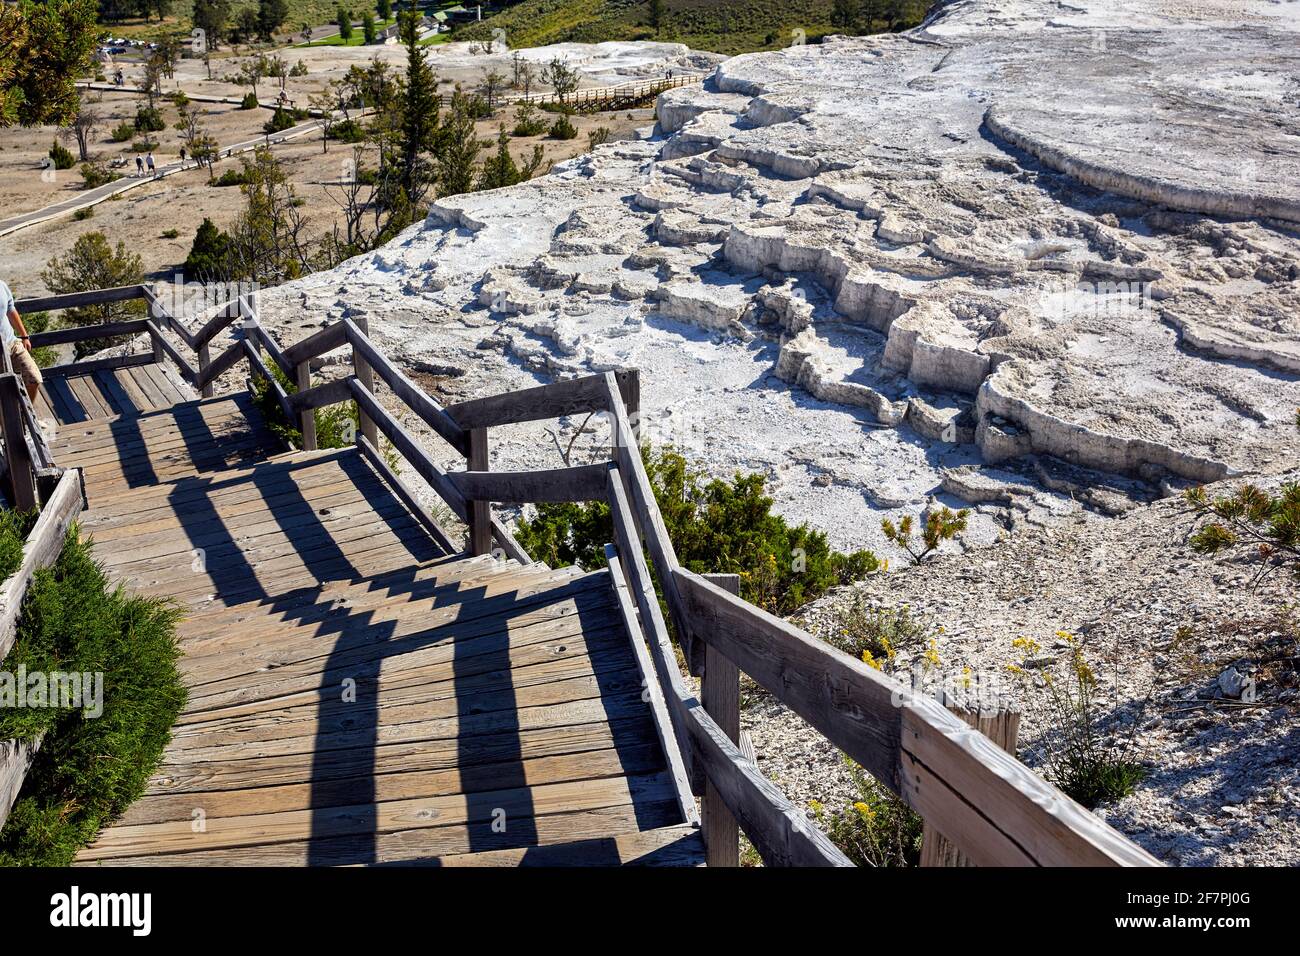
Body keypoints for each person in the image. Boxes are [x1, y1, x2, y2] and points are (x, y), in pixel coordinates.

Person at [0, 279, 43, 402]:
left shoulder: (2, 285)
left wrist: (24, 335)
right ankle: (7, 421)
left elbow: (10, 309)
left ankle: (25, 415)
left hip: (12, 344)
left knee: (33, 378)